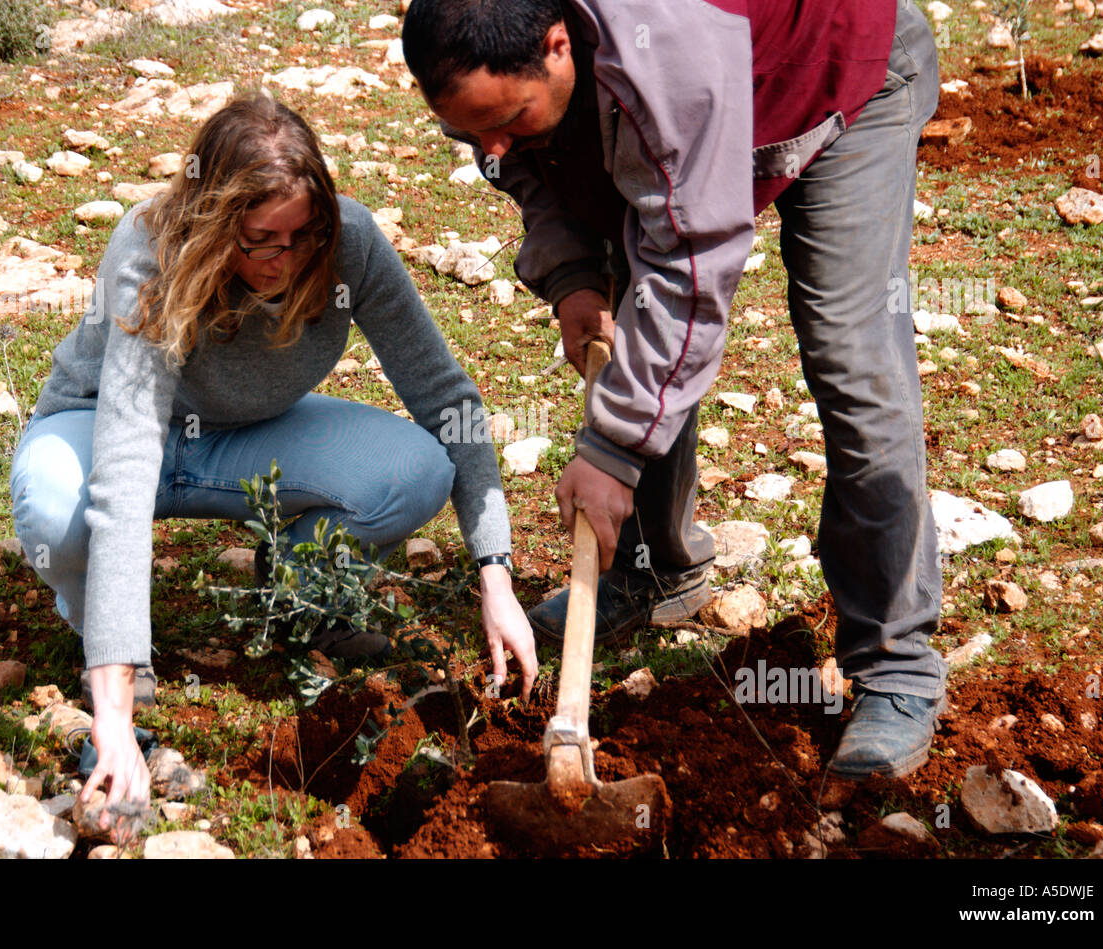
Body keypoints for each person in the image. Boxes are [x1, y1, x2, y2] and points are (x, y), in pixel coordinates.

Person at [402, 0, 949, 779]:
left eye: (509, 117)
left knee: (850, 359)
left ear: (560, 46)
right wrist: (573, 278)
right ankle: (656, 563)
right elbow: (526, 166)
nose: (490, 145)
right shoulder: (491, 57)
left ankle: (897, 663)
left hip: (831, 81)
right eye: (470, 128)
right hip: (670, 113)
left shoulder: (666, 51)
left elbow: (692, 264)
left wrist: (613, 448)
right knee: (631, 316)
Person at [10, 94, 539, 827]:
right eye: (260, 239)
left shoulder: (347, 243)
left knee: (417, 468)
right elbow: (126, 462)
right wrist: (118, 710)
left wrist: (495, 570)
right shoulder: (149, 250)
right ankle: (99, 637)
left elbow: (446, 395)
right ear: (214, 224)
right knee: (56, 509)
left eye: (301, 236)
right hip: (104, 428)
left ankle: (300, 594)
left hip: (247, 435)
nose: (283, 260)